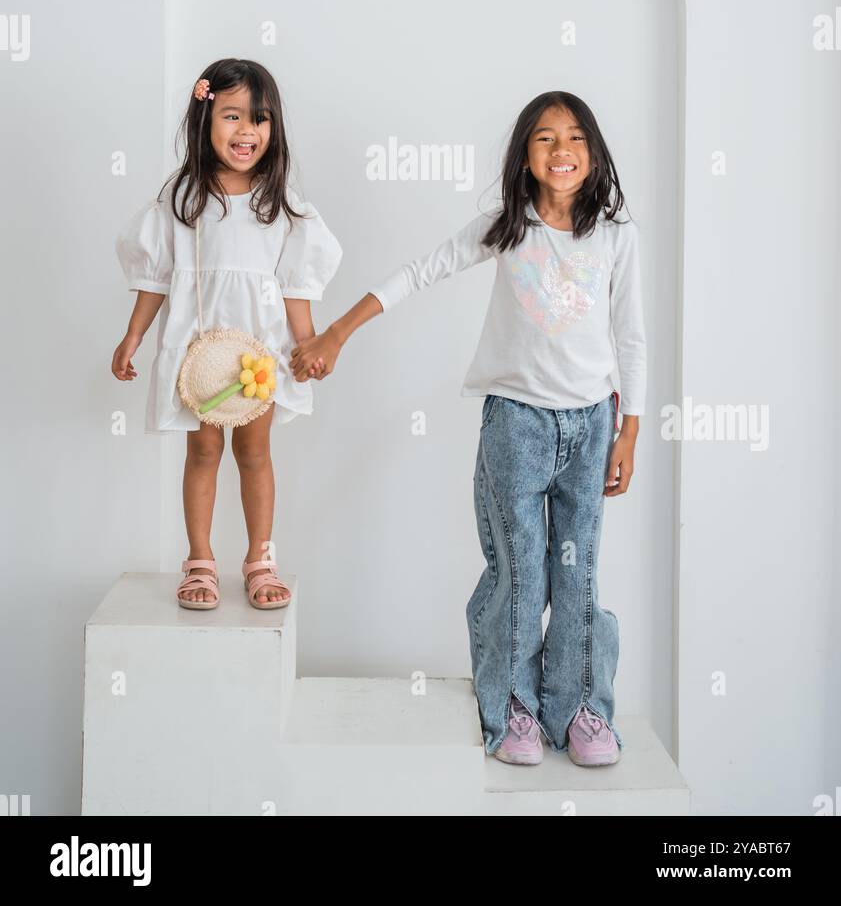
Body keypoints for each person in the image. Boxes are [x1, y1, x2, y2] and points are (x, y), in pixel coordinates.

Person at [291, 91, 645, 767]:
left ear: (594, 153)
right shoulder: (507, 228)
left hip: (592, 425)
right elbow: (420, 271)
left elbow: (631, 336)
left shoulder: (615, 236)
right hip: (515, 422)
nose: (561, 150)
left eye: (574, 138)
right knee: (519, 573)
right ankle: (510, 708)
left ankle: (582, 710)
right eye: (544, 138)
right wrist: (336, 333)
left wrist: (628, 430)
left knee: (579, 575)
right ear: (524, 156)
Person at [111, 57, 341, 611]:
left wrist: (307, 345)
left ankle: (260, 558)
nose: (247, 132)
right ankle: (200, 559)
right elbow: (156, 277)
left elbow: (295, 287)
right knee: (202, 451)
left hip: (257, 356)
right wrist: (133, 335)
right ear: (204, 118)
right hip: (199, 355)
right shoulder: (183, 198)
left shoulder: (280, 204)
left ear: (273, 127)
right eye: (233, 116)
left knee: (255, 452)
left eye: (259, 119)